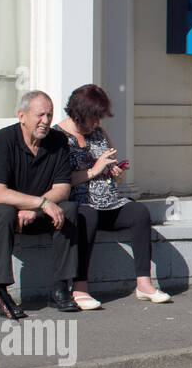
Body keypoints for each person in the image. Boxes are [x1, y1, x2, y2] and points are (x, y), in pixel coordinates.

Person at [56, 84, 168, 308]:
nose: (97, 124)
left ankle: (144, 284)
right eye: (94, 118)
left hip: (108, 202)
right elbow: (60, 181)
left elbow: (108, 166)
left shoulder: (98, 133)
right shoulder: (58, 138)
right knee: (87, 215)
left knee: (139, 212)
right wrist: (94, 170)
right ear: (80, 114)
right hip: (79, 203)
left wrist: (113, 170)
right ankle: (79, 288)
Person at [0, 90, 82, 316]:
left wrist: (36, 206)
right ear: (21, 116)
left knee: (70, 209)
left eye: (49, 115)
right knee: (3, 212)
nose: (45, 121)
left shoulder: (59, 141)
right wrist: (39, 204)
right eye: (40, 115)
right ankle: (0, 293)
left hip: (31, 209)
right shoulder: (3, 139)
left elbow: (63, 187)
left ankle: (60, 288)